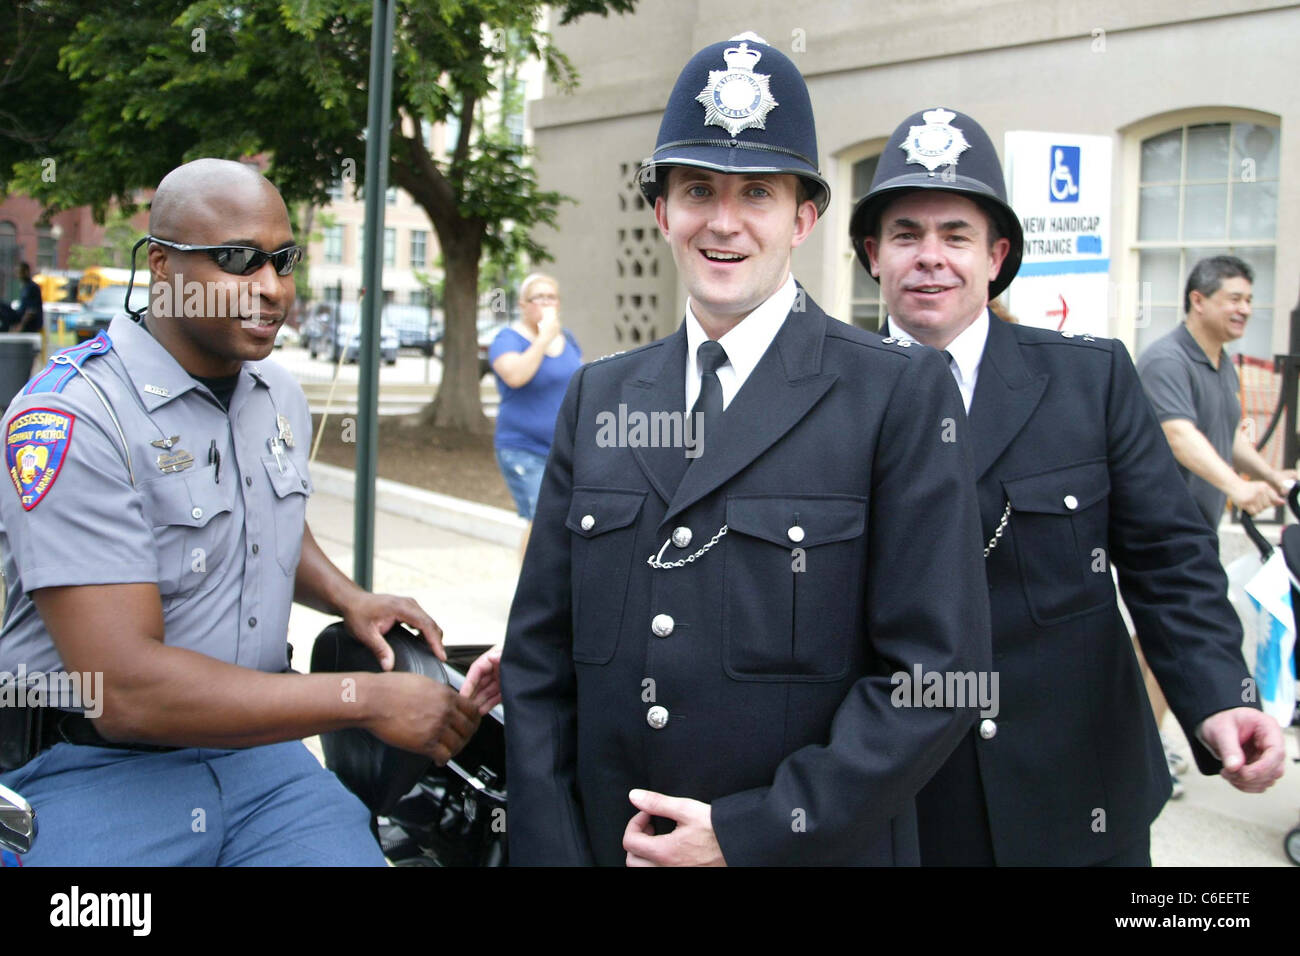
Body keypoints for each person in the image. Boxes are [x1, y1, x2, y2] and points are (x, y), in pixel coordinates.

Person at [501, 35, 992, 866]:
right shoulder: (602, 397)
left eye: (756, 193)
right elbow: (540, 660)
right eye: (698, 189)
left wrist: (750, 833)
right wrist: (550, 846)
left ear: (803, 218)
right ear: (662, 211)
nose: (722, 222)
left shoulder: (896, 394)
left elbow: (934, 679)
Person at [0, 158, 498, 866]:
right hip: (92, 771)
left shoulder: (273, 394)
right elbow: (124, 690)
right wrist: (362, 699)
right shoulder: (74, 418)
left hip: (259, 765)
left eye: (282, 260)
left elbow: (262, 522)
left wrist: (346, 597)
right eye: (237, 261)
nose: (270, 289)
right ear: (164, 267)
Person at [849, 107, 1286, 866]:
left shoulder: (1091, 379)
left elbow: (1167, 559)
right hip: (903, 807)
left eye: (956, 235)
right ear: (872, 254)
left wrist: (1220, 695)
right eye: (906, 235)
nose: (931, 257)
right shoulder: (824, 398)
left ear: (997, 255)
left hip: (1078, 796)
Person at [1137, 255, 1294, 529]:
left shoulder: (1223, 364)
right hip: (1160, 530)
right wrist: (1237, 487)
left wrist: (1271, 477)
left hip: (1201, 527)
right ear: (1198, 301)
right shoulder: (1167, 361)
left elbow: (1227, 434)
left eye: (1249, 300)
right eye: (1235, 299)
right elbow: (1178, 435)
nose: (1245, 309)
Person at [489, 273, 582, 557]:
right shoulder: (508, 339)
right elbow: (515, 375)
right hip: (523, 448)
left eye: (550, 297)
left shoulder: (567, 340)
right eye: (537, 297)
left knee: (560, 520)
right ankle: (530, 595)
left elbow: (579, 380)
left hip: (562, 449)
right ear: (522, 304)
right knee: (540, 518)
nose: (545, 303)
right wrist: (542, 339)